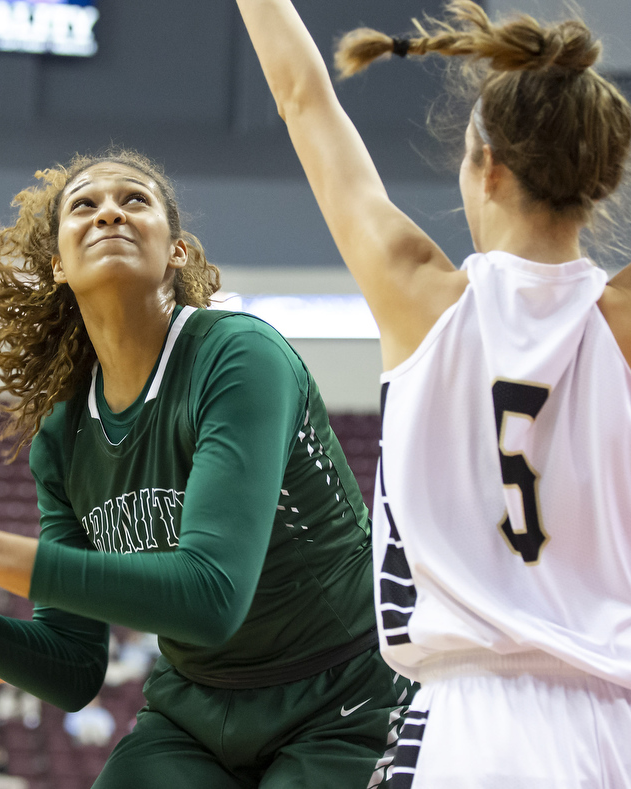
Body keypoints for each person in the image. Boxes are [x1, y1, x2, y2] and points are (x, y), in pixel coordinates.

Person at [0, 148, 416, 788]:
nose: (109, 211)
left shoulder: (240, 356)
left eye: (134, 200)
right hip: (195, 705)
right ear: (58, 263)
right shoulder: (63, 438)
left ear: (178, 252)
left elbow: (211, 597)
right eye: (84, 205)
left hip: (342, 693)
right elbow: (72, 668)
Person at [234, 0, 631, 785]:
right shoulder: (620, 325)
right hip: (611, 731)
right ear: (602, 176)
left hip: (465, 726)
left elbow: (301, 95)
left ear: (486, 165)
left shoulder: (418, 294)